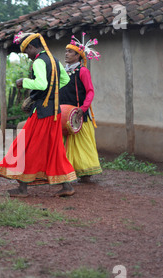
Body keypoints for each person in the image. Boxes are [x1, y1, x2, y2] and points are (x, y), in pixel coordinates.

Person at [0, 32, 77, 197]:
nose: (28, 57)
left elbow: (41, 83)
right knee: (53, 148)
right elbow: (65, 81)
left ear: (32, 47)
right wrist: (52, 93)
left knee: (26, 146)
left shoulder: (39, 61)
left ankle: (23, 189)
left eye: (27, 53)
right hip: (54, 112)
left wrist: (23, 82)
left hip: (41, 113)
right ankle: (67, 186)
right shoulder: (54, 60)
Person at [60, 34, 102, 183]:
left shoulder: (83, 71)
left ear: (78, 56)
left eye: (70, 52)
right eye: (66, 51)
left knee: (82, 145)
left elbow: (90, 91)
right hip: (63, 114)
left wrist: (83, 109)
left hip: (79, 115)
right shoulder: (62, 71)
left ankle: (85, 173)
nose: (66, 54)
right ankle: (65, 172)